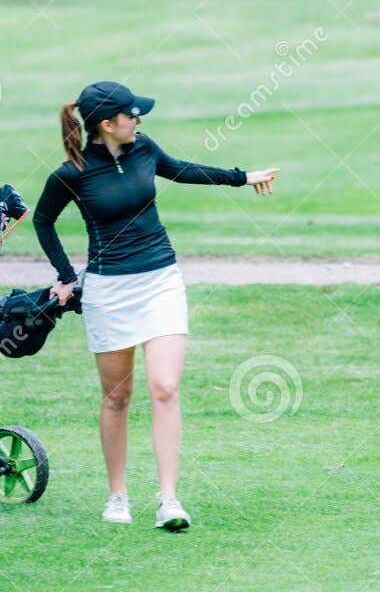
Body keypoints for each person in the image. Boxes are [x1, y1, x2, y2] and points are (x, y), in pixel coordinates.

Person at [32, 81, 279, 529]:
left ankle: (168, 498)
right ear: (107, 124)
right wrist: (67, 278)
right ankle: (117, 496)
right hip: (108, 291)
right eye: (132, 114)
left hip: (161, 280)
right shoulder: (73, 173)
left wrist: (242, 177)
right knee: (117, 396)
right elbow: (43, 220)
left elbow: (182, 170)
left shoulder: (144, 148)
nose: (140, 120)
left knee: (165, 387)